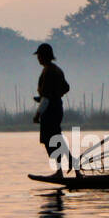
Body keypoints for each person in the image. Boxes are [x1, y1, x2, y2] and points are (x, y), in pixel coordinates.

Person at [32, 42, 77, 175]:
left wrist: (37, 114)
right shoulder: (57, 69)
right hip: (58, 107)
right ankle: (72, 163)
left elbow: (46, 97)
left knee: (49, 140)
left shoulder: (48, 72)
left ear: (44, 56)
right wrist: (54, 95)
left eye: (39, 56)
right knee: (57, 137)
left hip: (50, 110)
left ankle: (59, 171)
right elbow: (65, 87)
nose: (38, 58)